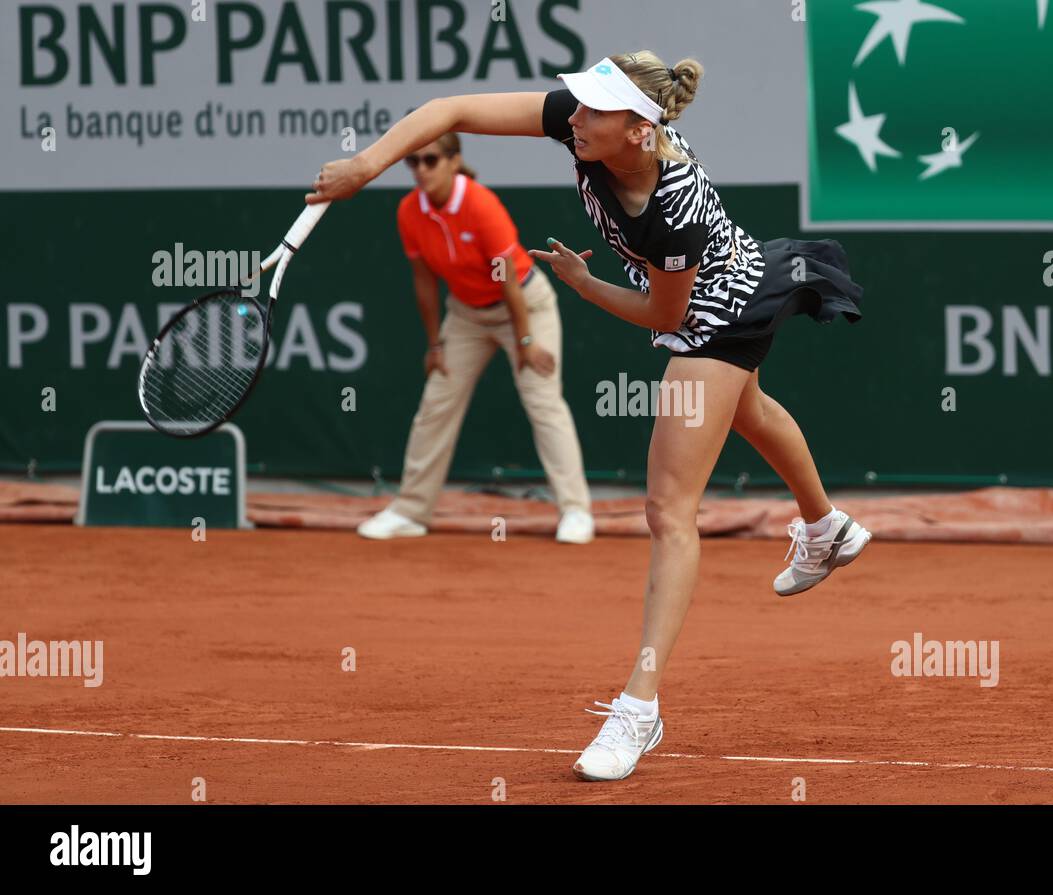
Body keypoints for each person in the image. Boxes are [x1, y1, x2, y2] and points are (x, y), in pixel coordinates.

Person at [310, 51, 870, 782]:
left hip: (721, 315)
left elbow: (662, 312)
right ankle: (827, 527)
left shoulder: (671, 212)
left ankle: (640, 708)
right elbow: (448, 111)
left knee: (669, 510)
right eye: (575, 105)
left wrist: (581, 282)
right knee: (752, 410)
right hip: (732, 279)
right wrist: (366, 164)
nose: (571, 117)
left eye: (591, 110)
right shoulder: (589, 127)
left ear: (638, 131)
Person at [356, 132, 595, 545]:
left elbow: (508, 280)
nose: (421, 170)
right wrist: (434, 345)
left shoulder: (481, 204)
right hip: (466, 316)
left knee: (543, 402)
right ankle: (411, 510)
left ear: (453, 161)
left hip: (524, 308)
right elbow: (424, 282)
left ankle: (576, 511)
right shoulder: (409, 212)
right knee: (436, 404)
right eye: (413, 163)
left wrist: (524, 343)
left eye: (430, 160)